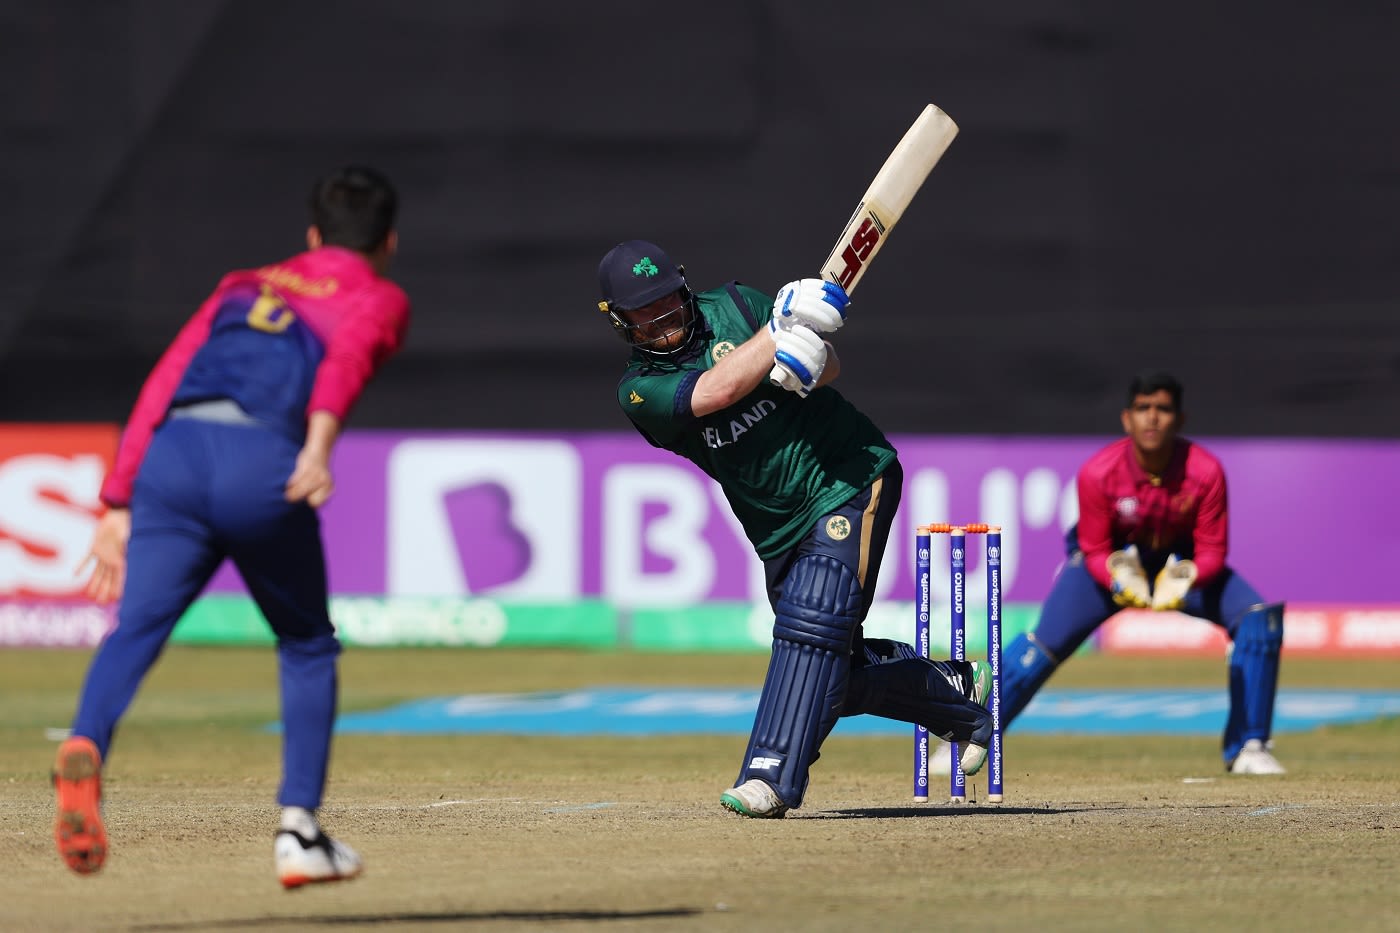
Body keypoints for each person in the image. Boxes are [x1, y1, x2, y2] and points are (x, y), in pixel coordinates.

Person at [53, 165, 411, 886]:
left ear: (311, 236)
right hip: (259, 461)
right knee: (306, 643)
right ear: (388, 243)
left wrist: (118, 500)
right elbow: (345, 362)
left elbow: (165, 378)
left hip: (173, 456)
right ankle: (299, 833)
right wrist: (317, 447)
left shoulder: (243, 284)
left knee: (135, 628)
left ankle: (85, 740)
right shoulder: (378, 295)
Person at [596, 239, 994, 817]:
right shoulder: (638, 390)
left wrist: (806, 365)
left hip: (848, 475)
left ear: (684, 288)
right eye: (644, 314)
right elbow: (716, 390)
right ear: (620, 322)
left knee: (811, 627)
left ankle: (771, 776)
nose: (662, 320)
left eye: (668, 303)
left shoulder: (738, 304)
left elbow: (829, 365)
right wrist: (777, 333)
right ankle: (953, 691)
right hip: (777, 529)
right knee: (831, 672)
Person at [949, 370, 1284, 775]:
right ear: (1127, 418)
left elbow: (1213, 550)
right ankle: (967, 737)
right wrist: (1116, 578)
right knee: (1040, 647)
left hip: (1181, 569)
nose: (1152, 417)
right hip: (1109, 567)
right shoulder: (1099, 471)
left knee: (1258, 619)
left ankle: (1249, 747)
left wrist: (1188, 577)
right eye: (1143, 408)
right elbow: (1093, 548)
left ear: (1180, 419)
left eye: (1163, 409)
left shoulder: (1205, 470)